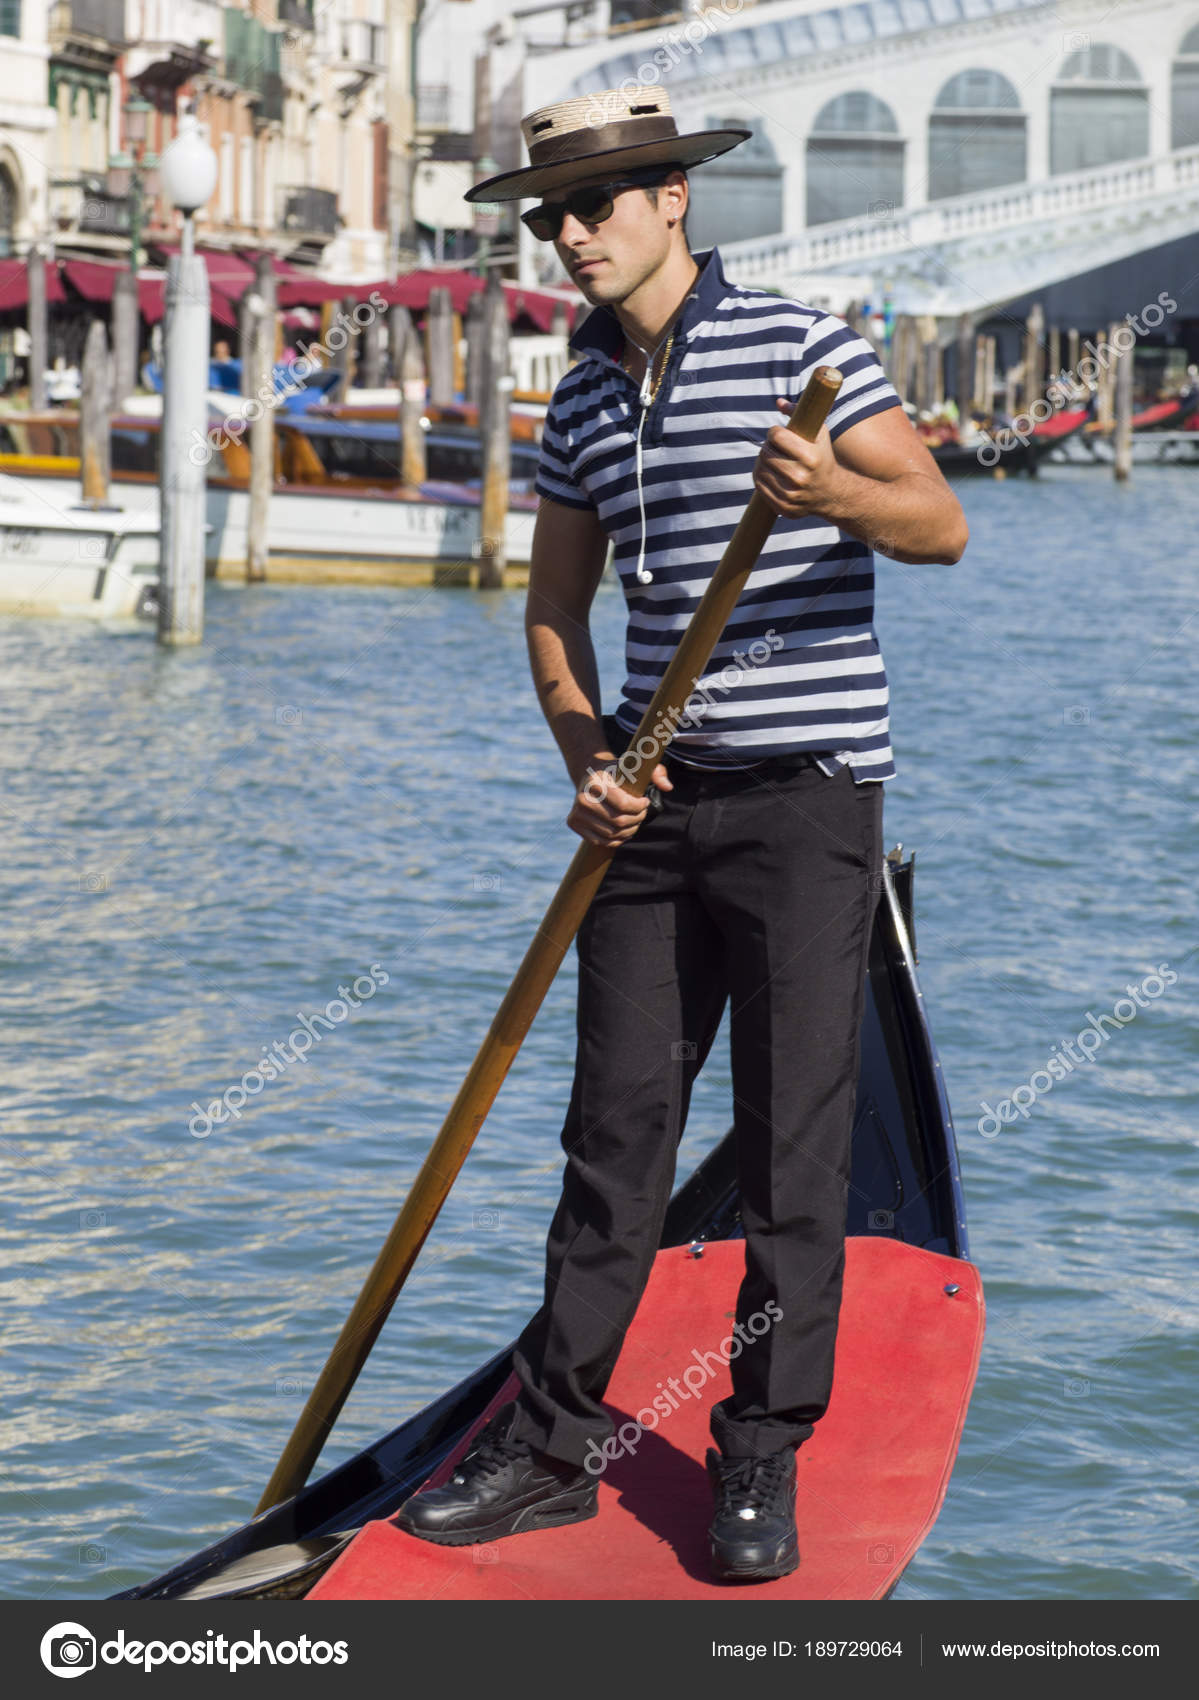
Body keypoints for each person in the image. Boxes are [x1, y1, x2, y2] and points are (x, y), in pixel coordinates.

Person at [397, 86, 967, 1583]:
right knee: (615, 1135)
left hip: (804, 796)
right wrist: (586, 760)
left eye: (594, 205)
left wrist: (829, 485)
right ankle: (552, 1449)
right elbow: (552, 618)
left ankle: (759, 1461)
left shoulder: (803, 348)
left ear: (672, 204)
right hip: (649, 810)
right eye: (550, 215)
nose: (568, 235)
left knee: (793, 1147)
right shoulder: (581, 399)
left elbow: (939, 522)